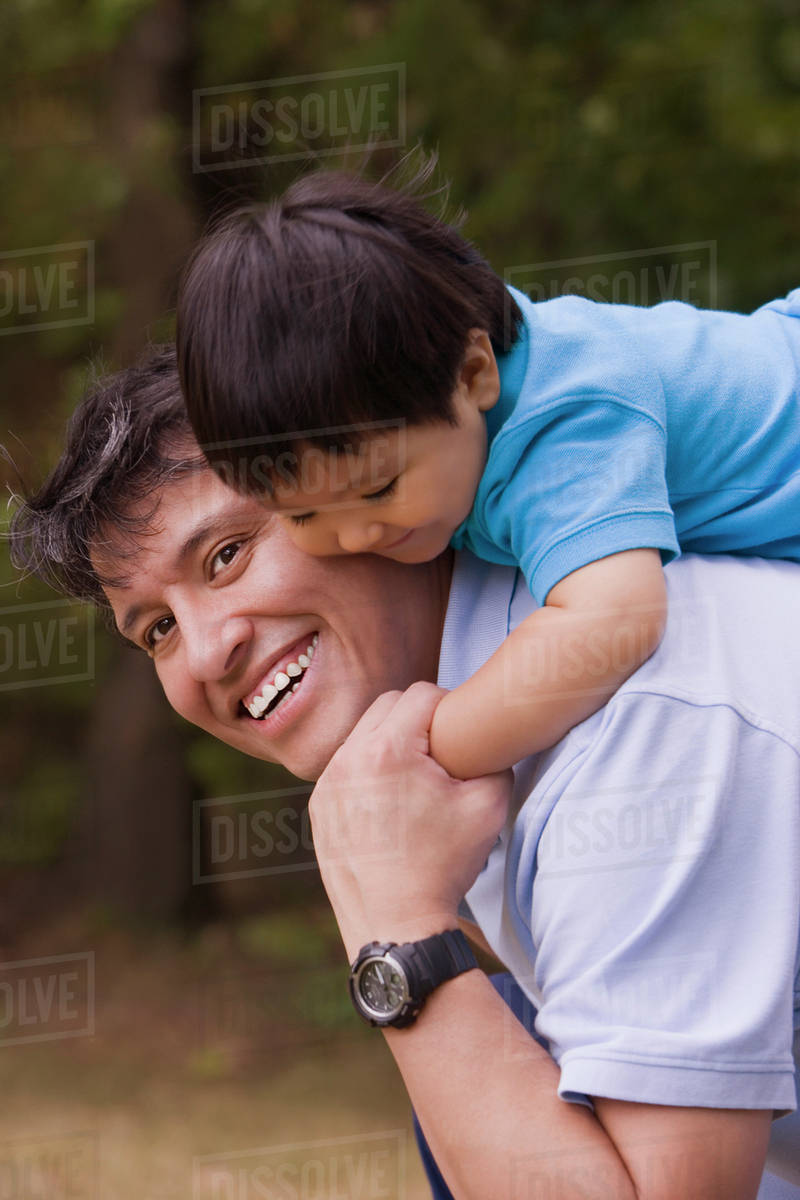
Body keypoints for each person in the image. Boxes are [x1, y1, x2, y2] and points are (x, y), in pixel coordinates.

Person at [9, 348, 800, 1199]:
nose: (206, 652)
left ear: (349, 476)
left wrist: (398, 930)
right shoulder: (476, 729)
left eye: (228, 554)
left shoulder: (634, 717)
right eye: (157, 629)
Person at [174, 164, 800, 783]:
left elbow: (616, 620)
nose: (359, 535)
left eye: (378, 489)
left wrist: (431, 750)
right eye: (304, 514)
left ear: (474, 374)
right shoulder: (442, 394)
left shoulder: (566, 424)